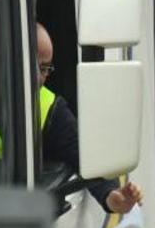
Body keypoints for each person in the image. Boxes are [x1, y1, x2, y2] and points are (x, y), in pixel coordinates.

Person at [36, 23, 133, 213]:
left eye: (45, 68)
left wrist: (112, 197)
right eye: (34, 64)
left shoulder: (47, 106)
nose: (39, 77)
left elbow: (85, 157)